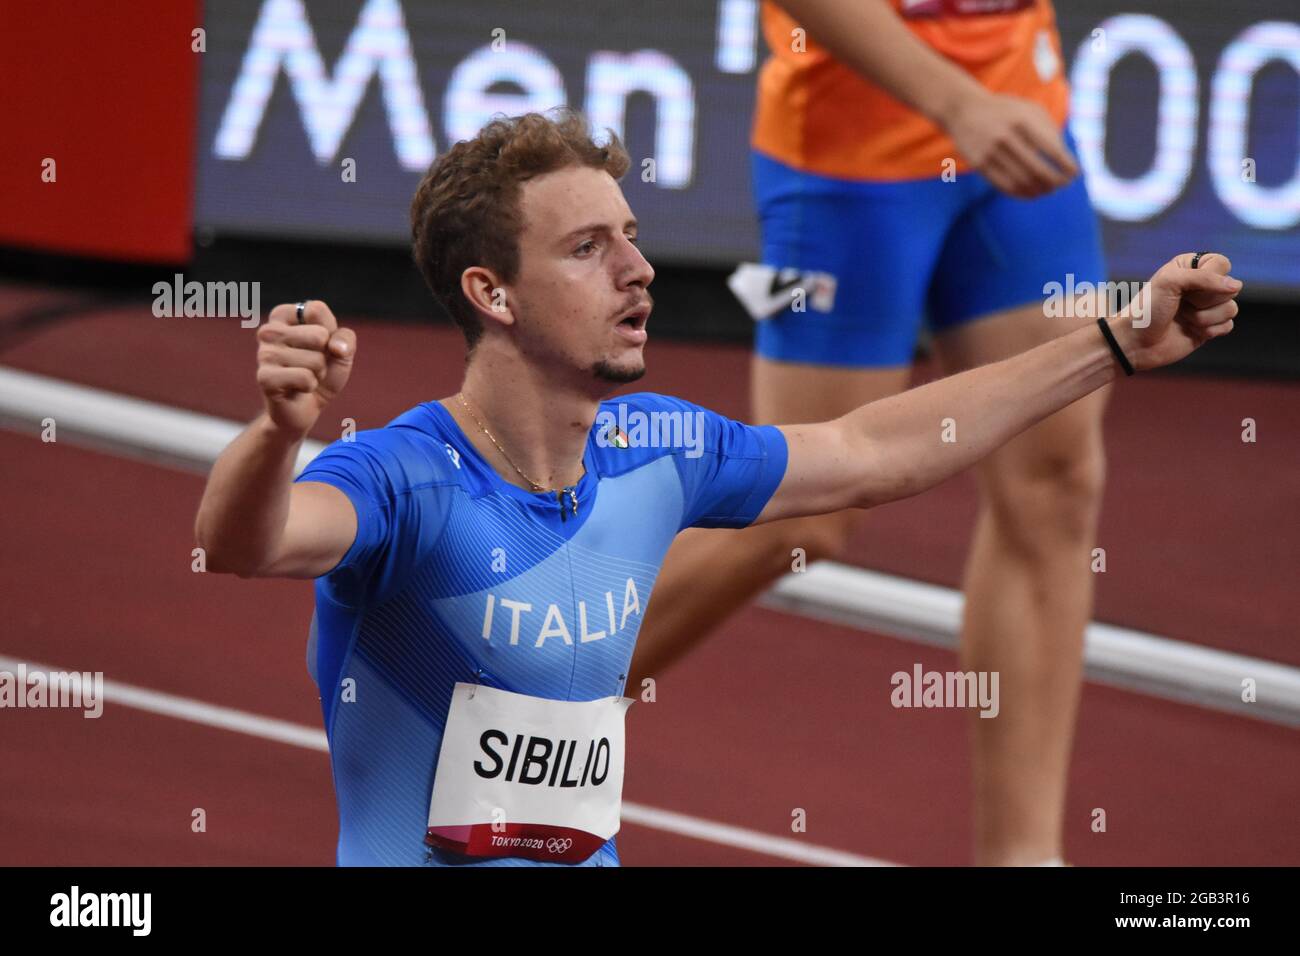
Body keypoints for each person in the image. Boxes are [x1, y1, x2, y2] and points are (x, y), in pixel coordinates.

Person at [192, 108, 1240, 867]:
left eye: (634, 237)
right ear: (491, 292)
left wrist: (1112, 343)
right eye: (588, 247)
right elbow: (249, 539)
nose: (637, 269)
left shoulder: (654, 447)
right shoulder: (404, 476)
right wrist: (278, 432)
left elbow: (873, 450)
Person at [629, 0, 1112, 866]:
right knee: (797, 513)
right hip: (848, 168)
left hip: (1024, 132)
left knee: (1057, 486)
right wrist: (956, 103)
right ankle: (513, 697)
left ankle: (1026, 858)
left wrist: (982, 103)